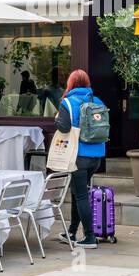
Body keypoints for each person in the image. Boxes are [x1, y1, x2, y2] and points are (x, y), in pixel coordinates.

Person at [54, 69, 106, 249]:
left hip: (78, 156)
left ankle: (90, 237)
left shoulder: (67, 102)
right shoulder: (97, 100)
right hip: (96, 155)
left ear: (71, 83)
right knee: (79, 192)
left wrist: (56, 119)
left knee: (81, 194)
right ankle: (71, 231)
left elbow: (64, 128)